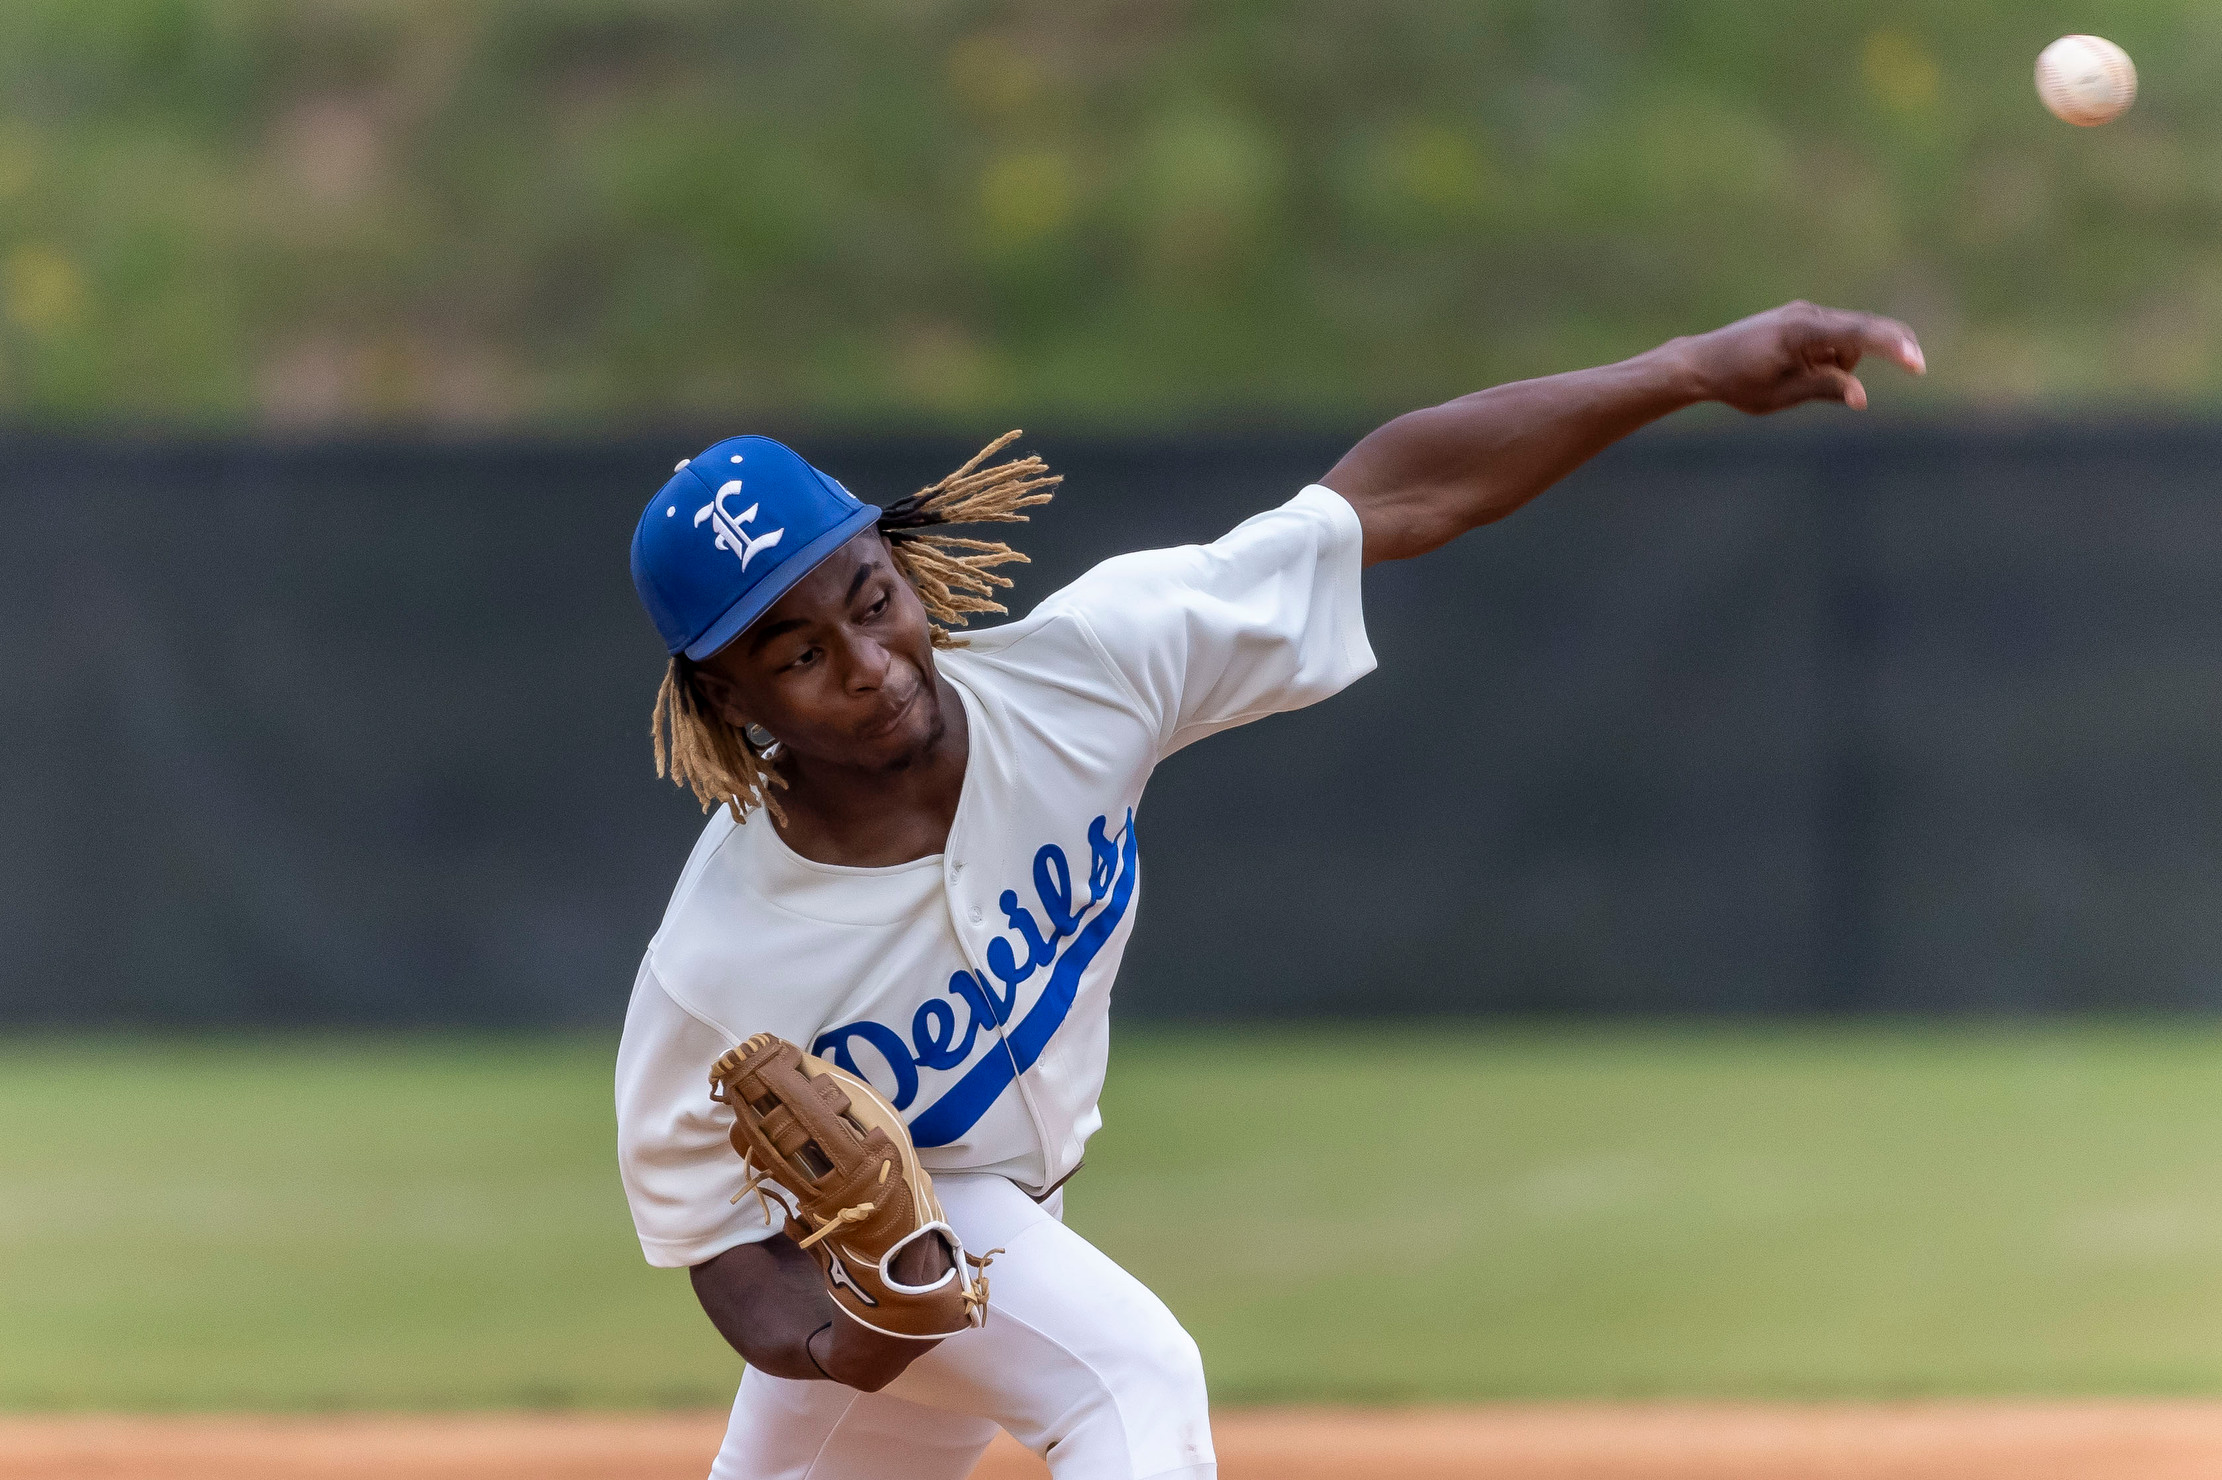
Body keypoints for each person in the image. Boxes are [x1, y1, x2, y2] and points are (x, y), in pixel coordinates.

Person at [615, 302, 1925, 1480]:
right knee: (1132, 1380)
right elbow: (719, 1245)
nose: (865, 661)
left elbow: (1389, 500)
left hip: (977, 1248)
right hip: (901, 1252)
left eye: (870, 599)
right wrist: (849, 1338)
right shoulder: (720, 958)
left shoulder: (1088, 674)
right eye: (798, 653)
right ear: (729, 696)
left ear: (903, 567)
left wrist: (1684, 369)